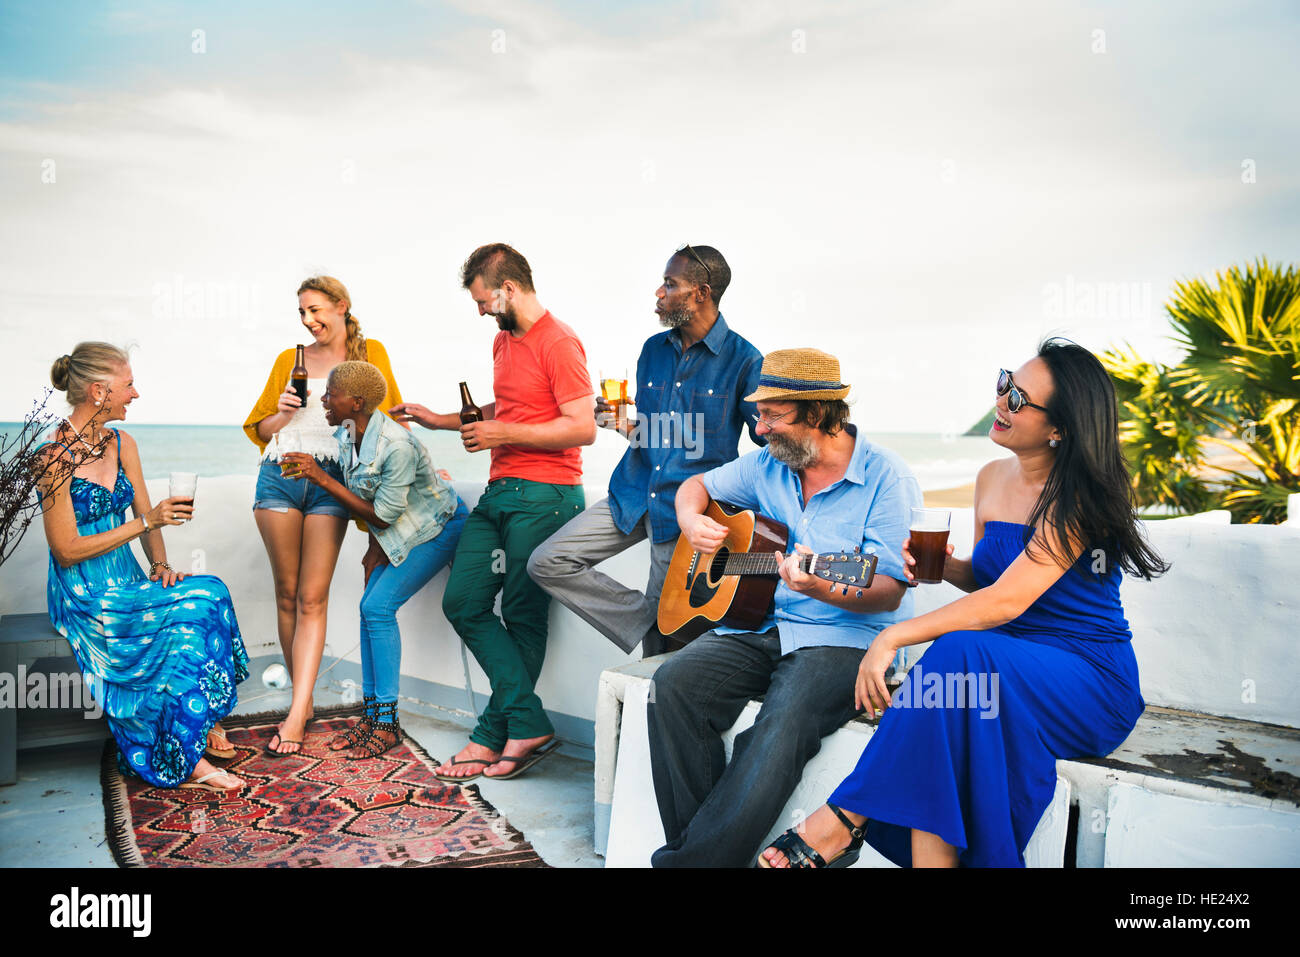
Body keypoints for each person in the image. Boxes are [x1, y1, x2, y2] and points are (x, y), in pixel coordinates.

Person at [759, 339, 1167, 869]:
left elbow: (1007, 600)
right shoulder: (990, 479)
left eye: (1019, 399)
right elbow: (987, 580)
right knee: (947, 704)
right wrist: (945, 566)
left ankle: (843, 818)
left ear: (1059, 428)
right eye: (1004, 384)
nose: (1001, 402)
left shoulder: (1078, 499)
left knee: (955, 657)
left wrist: (892, 636)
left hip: (1086, 676)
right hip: (1006, 662)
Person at [646, 347, 921, 867]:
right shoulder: (767, 464)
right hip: (766, 624)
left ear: (816, 415)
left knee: (783, 720)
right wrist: (688, 518)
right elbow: (698, 485)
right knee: (674, 686)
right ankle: (703, 856)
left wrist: (820, 587)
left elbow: (887, 585)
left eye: (772, 415)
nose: (760, 427)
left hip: (847, 639)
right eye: (759, 413)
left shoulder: (888, 478)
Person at [389, 243, 595, 782]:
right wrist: (439, 420)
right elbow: (510, 406)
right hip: (501, 492)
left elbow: (582, 426)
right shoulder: (503, 341)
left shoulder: (561, 340)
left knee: (523, 616)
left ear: (507, 288)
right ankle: (526, 722)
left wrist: (501, 432)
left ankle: (491, 736)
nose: (480, 310)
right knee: (464, 601)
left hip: (548, 496)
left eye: (483, 300)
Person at [526, 244, 764, 657]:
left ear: (701, 293)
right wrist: (623, 424)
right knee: (547, 562)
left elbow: (767, 439)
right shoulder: (653, 350)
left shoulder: (745, 361)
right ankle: (648, 617)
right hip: (633, 493)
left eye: (670, 284)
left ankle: (657, 646)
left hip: (686, 511)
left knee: (662, 650)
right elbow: (656, 433)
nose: (659, 292)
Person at [39, 343, 250, 791]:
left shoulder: (122, 443)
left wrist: (160, 565)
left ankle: (199, 719)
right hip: (85, 590)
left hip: (129, 577)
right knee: (188, 613)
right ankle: (183, 756)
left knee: (209, 590)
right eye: (128, 384)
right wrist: (146, 520)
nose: (135, 394)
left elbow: (146, 515)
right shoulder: (53, 458)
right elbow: (66, 550)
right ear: (99, 391)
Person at [242, 276, 407, 756]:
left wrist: (411, 465)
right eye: (302, 314)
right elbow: (262, 429)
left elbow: (387, 418)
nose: (309, 321)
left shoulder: (369, 353)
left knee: (314, 597)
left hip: (330, 482)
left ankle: (294, 715)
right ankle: (304, 699)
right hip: (279, 474)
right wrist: (282, 411)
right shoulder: (288, 361)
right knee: (287, 594)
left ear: (341, 307)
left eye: (316, 310)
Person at [282, 361, 467, 758]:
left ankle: (386, 722)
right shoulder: (347, 433)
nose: (324, 399)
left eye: (331, 393)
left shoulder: (396, 445)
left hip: (438, 527)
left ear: (357, 401)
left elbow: (383, 513)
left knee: (377, 607)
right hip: (397, 532)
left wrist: (320, 477)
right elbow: (371, 501)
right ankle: (372, 717)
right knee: (370, 609)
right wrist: (373, 547)